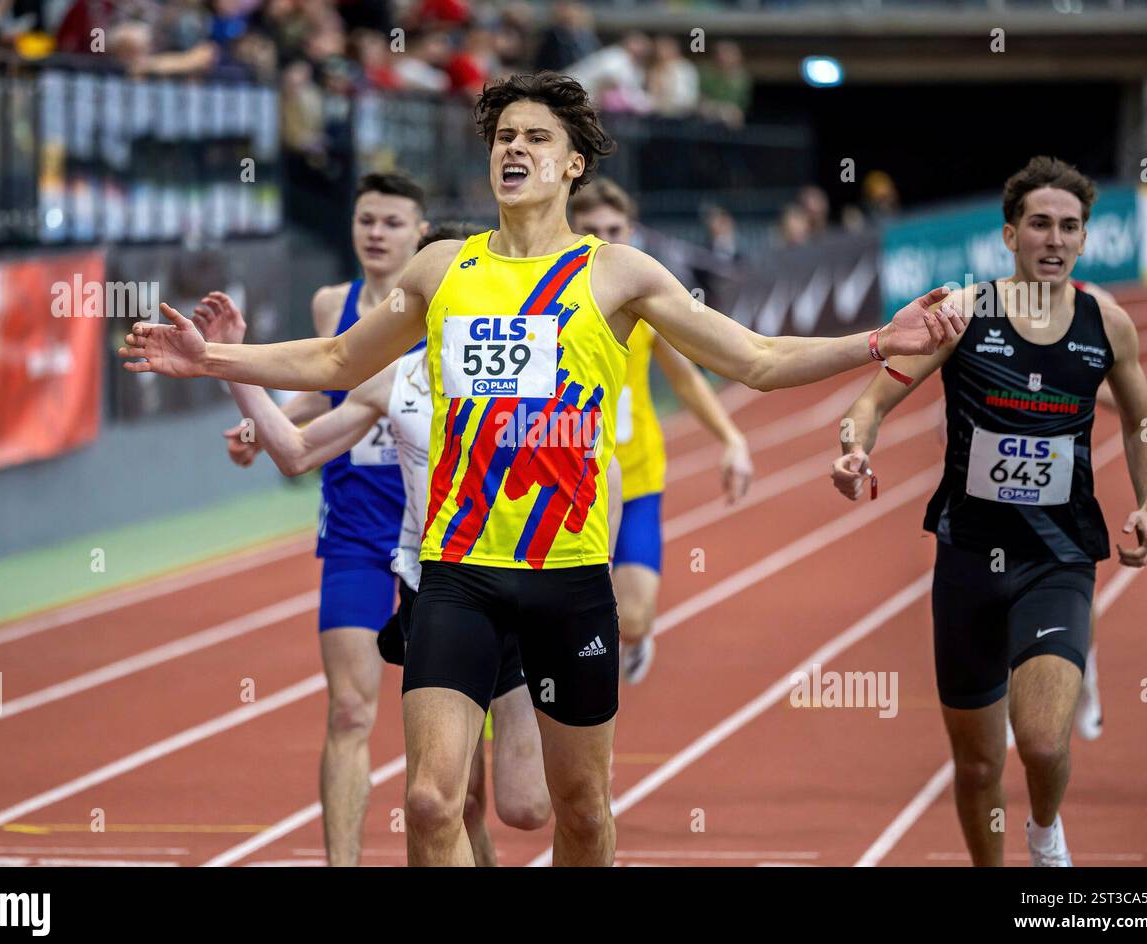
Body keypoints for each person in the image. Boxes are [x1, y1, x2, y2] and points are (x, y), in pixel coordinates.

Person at [121, 70, 964, 867]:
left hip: (566, 576)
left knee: (583, 810)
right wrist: (216, 360)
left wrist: (880, 342)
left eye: (535, 136)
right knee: (425, 802)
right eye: (503, 136)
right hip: (457, 570)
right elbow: (339, 357)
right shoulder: (443, 268)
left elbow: (759, 359)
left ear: (572, 162)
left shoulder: (616, 273)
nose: (513, 148)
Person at [191, 227, 563, 865]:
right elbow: (298, 450)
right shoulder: (399, 379)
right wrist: (230, 362)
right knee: (430, 802)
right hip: (437, 597)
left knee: (525, 805)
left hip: (523, 595)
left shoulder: (539, 366)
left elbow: (594, 467)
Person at [830, 156, 1147, 866]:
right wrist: (854, 449)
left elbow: (1141, 422)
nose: (1054, 239)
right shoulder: (962, 316)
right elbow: (871, 401)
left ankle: (1044, 832)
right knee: (978, 767)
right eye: (1039, 224)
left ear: (1084, 239)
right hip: (967, 560)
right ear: (1009, 235)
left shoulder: (1109, 323)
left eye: (1069, 227)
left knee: (1041, 739)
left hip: (1059, 556)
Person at [225, 172, 429, 866]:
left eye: (393, 222)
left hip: (441, 534)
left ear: (421, 234)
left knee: (450, 754)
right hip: (354, 530)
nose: (376, 232)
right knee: (349, 710)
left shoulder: (444, 311)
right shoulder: (330, 304)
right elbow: (329, 390)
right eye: (366, 219)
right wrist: (265, 426)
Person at [569, 177, 752, 682]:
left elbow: (687, 381)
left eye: (614, 228)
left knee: (633, 616)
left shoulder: (648, 300)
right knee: (571, 624)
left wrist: (732, 439)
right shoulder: (552, 302)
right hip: (567, 483)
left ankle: (635, 634)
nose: (604, 239)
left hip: (636, 477)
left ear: (631, 230)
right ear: (572, 230)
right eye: (591, 229)